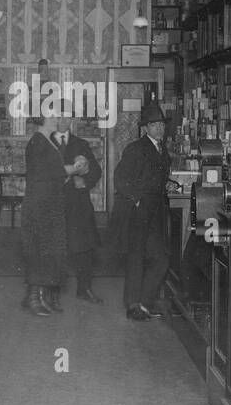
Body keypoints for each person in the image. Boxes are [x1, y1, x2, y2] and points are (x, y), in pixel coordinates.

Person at [111, 101, 175, 322]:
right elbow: (120, 179)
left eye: (161, 125)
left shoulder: (161, 149)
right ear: (145, 127)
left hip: (155, 211)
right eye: (154, 124)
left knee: (160, 259)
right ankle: (133, 306)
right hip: (137, 212)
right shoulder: (136, 149)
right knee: (136, 259)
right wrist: (136, 199)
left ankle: (146, 303)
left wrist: (166, 185)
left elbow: (155, 178)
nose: (159, 128)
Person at [21, 114, 82, 316]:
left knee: (46, 250)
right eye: (54, 116)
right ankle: (33, 298)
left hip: (48, 203)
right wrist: (72, 169)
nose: (58, 120)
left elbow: (52, 172)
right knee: (39, 250)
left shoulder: (45, 141)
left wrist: (69, 171)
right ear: (44, 118)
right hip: (40, 205)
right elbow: (45, 174)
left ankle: (39, 296)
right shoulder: (38, 142)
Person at [55, 114, 103, 304]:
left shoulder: (80, 143)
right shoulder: (45, 142)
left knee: (84, 248)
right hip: (53, 204)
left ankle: (85, 289)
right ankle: (51, 291)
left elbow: (96, 170)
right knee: (53, 247)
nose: (64, 121)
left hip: (78, 204)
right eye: (60, 116)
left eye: (68, 117)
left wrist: (85, 181)